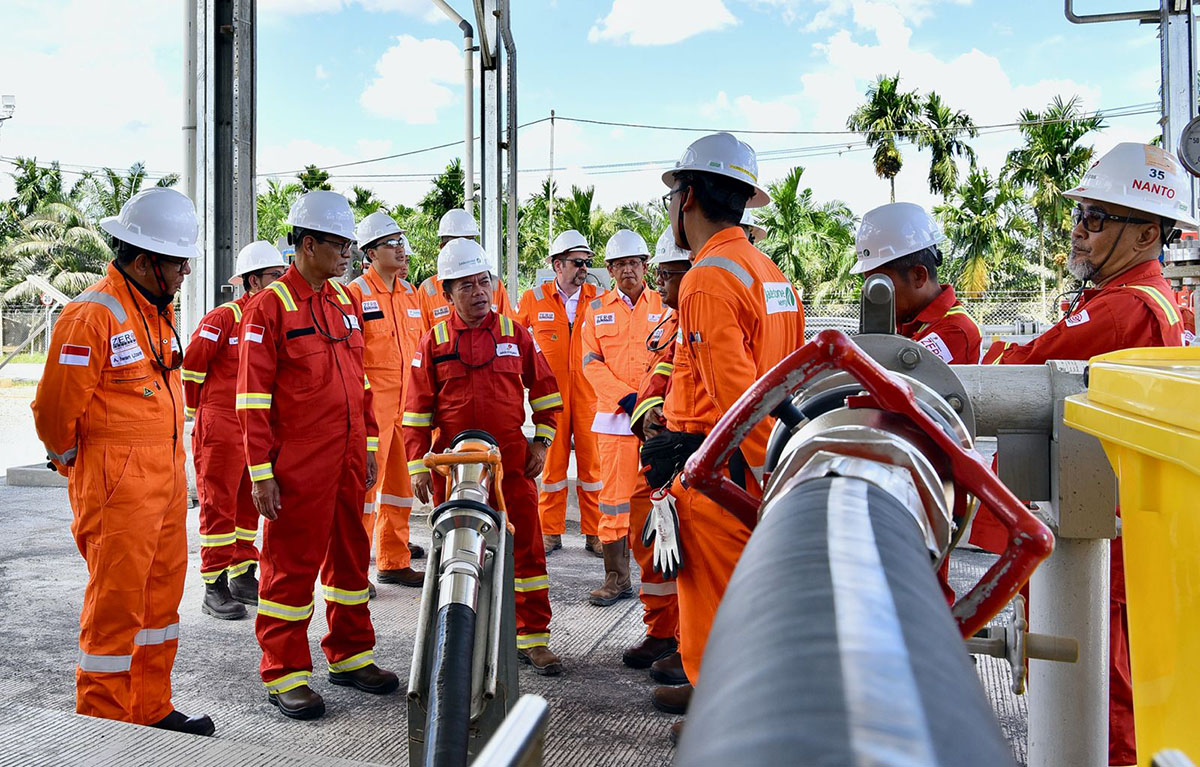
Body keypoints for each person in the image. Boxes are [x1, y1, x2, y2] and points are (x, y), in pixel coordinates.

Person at [976, 142, 1194, 766]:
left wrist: (998, 356)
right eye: (1080, 216)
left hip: (1104, 526)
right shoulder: (1143, 299)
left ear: (1146, 232)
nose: (1078, 231)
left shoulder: (1126, 308)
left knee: (1105, 697)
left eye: (1096, 219)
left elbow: (1016, 364)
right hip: (1124, 519)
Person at [31, 188, 215, 735]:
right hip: (116, 491)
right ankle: (103, 725)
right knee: (116, 611)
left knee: (159, 607)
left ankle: (150, 709)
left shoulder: (156, 309)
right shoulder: (91, 315)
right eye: (178, 262)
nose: (185, 271)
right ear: (143, 261)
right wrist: (74, 463)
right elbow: (54, 410)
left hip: (161, 487)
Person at [642, 132, 804, 736]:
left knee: (720, 602)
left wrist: (704, 457)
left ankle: (723, 717)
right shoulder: (770, 272)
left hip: (725, 479)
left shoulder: (706, 279)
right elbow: (785, 380)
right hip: (765, 466)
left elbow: (744, 401)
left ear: (687, 198)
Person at [237, 190, 398, 721]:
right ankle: (285, 672)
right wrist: (262, 474)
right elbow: (252, 400)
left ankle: (351, 655)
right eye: (340, 244)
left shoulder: (342, 302)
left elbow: (362, 384)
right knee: (289, 567)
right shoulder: (268, 307)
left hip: (349, 459)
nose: (349, 254)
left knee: (352, 559)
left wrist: (370, 447)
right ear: (308, 244)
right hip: (298, 466)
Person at [403, 238, 565, 676]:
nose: (478, 292)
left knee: (525, 547)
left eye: (483, 282)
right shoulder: (433, 341)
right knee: (453, 554)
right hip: (454, 471)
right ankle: (454, 635)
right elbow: (415, 412)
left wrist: (541, 443)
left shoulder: (516, 334)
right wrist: (418, 465)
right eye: (467, 286)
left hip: (509, 463)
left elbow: (548, 394)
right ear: (447, 292)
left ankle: (533, 638)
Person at [578, 229, 680, 670]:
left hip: (660, 426)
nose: (628, 270)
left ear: (646, 265)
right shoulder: (596, 310)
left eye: (635, 262)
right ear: (611, 270)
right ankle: (616, 576)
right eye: (619, 265)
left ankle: (665, 613)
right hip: (618, 420)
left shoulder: (666, 305)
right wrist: (629, 399)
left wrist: (656, 408)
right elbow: (590, 364)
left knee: (660, 509)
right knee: (614, 503)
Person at [183, 240, 287, 621]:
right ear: (252, 280)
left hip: (253, 429)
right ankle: (214, 584)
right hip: (221, 424)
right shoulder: (223, 318)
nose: (281, 282)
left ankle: (243, 575)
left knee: (249, 503)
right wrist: (199, 411)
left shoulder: (273, 317)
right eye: (275, 276)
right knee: (219, 505)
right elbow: (192, 366)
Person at [348, 212, 425, 588]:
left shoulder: (411, 293)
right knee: (366, 491)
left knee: (400, 487)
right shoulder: (356, 294)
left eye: (402, 242)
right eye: (392, 243)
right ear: (371, 252)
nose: (401, 249)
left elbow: (421, 349)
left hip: (407, 406)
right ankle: (354, 572)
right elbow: (350, 356)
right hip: (373, 407)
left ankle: (394, 560)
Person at [515, 229, 604, 557]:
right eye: (577, 262)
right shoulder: (532, 299)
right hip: (550, 399)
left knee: (592, 468)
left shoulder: (598, 298)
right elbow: (513, 339)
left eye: (586, 263)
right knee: (551, 466)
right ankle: (550, 531)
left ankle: (594, 532)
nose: (583, 268)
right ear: (557, 265)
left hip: (589, 396)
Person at [853, 202, 981, 364]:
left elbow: (896, 378)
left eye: (881, 286)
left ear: (918, 276)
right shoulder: (906, 320)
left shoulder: (954, 331)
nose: (874, 297)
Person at [417, 208, 515, 330]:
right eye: (457, 242)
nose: (465, 246)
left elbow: (508, 332)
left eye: (469, 240)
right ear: (443, 247)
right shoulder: (428, 289)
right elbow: (422, 337)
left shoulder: (494, 284)